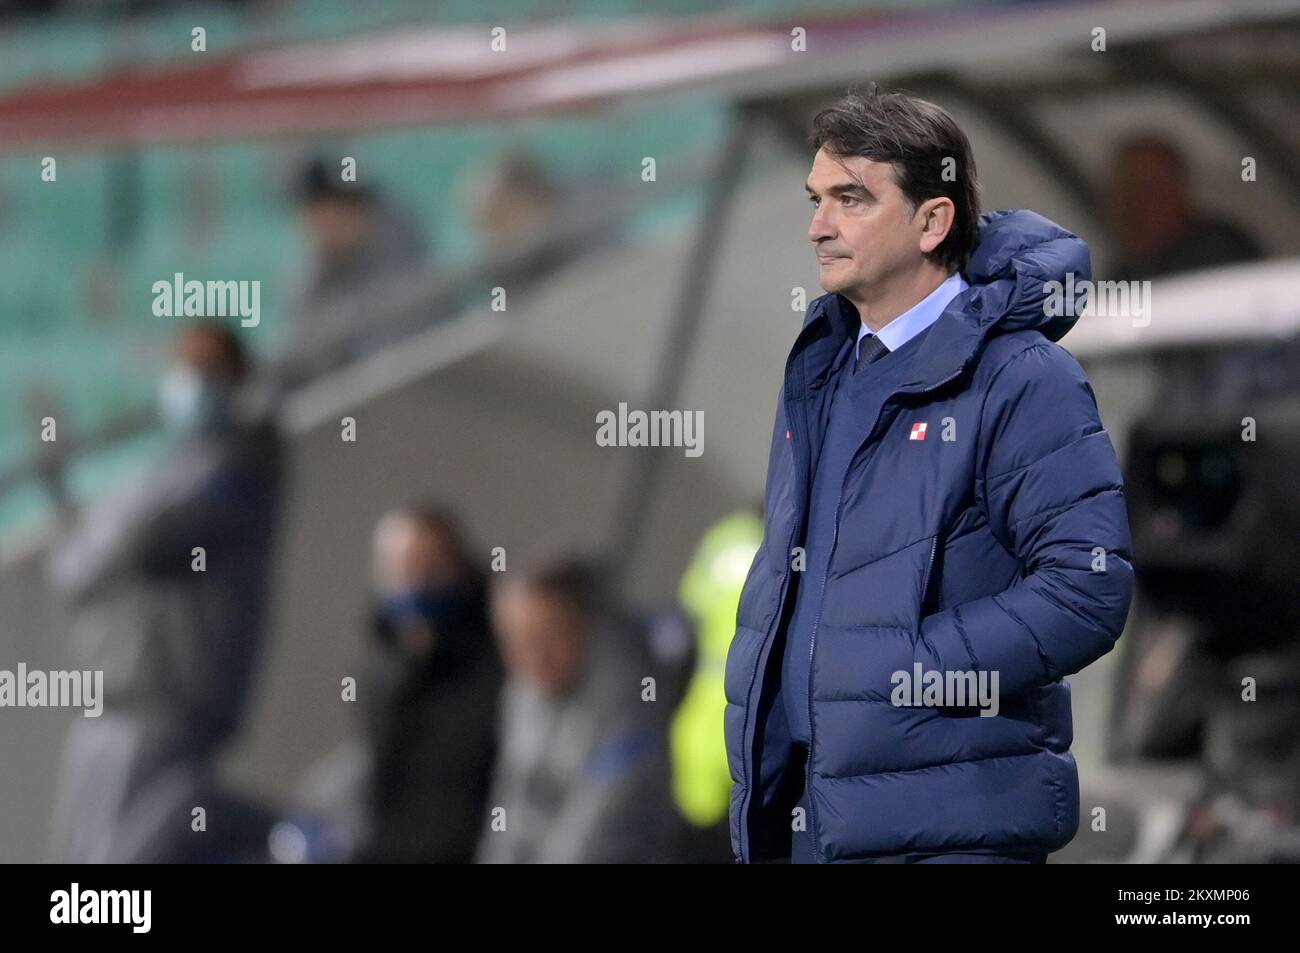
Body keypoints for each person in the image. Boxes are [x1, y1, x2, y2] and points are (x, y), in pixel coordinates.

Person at [723, 86, 1135, 864]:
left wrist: (912, 673)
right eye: (816, 198)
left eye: (851, 198)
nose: (819, 225)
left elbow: (1088, 586)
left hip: (948, 829)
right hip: (810, 816)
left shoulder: (1022, 376)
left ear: (933, 220)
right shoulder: (821, 372)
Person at [46, 321, 283, 863]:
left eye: (205, 370)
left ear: (236, 378)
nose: (189, 382)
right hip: (115, 695)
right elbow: (75, 566)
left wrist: (108, 536)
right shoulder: (170, 465)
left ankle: (293, 831)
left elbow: (148, 540)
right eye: (184, 368)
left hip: (175, 698)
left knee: (121, 867)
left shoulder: (246, 463)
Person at [476, 559, 676, 863]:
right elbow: (511, 805)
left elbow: (601, 823)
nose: (534, 658)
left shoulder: (632, 695)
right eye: (515, 642)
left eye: (548, 636)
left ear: (583, 623)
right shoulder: (522, 693)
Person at [357, 506, 502, 863]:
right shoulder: (383, 660)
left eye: (429, 567)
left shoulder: (498, 660)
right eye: (403, 570)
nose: (417, 582)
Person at [1106, 135, 1261, 279]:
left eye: (1146, 190)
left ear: (1177, 193)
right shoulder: (1125, 273)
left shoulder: (1218, 252)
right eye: (1122, 192)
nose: (1132, 207)